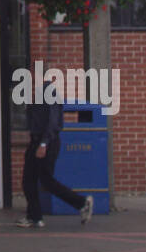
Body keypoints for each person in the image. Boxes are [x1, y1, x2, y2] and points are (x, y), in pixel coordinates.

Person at [18, 87, 94, 228]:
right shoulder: (37, 94)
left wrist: (43, 143)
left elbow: (52, 122)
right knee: (29, 180)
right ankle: (34, 217)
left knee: (46, 181)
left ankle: (82, 202)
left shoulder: (49, 93)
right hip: (36, 141)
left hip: (46, 142)